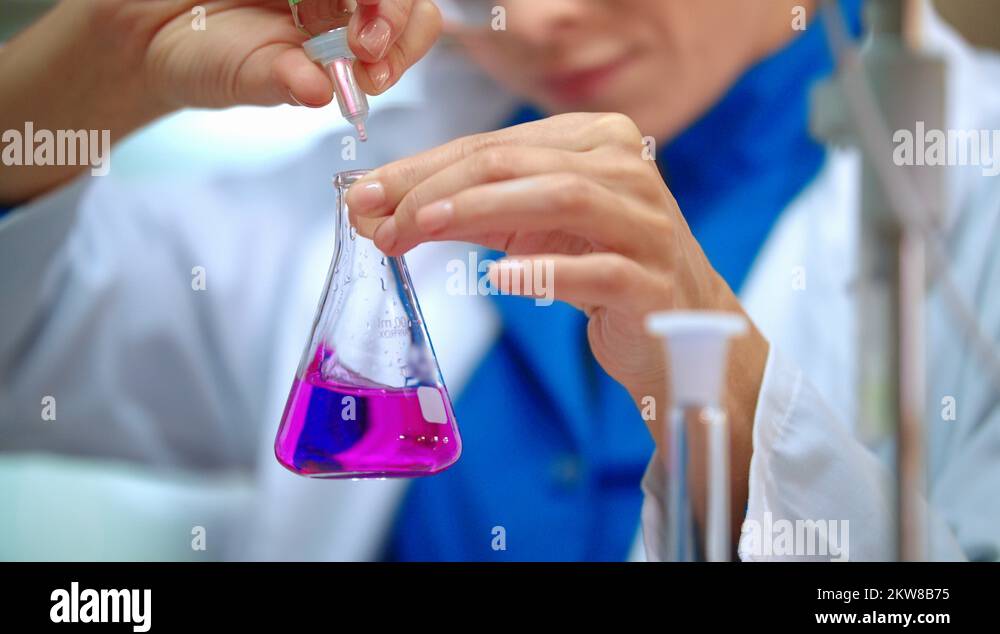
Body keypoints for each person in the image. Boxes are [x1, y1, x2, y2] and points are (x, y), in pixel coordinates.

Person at [1, 0, 998, 561]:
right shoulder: (378, 164)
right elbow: (26, 345)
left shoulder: (969, 200)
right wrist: (108, 54)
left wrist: (728, 405)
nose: (542, 19)